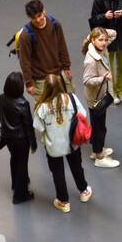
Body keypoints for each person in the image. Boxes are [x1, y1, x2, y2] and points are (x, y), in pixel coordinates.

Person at [33, 73, 92, 212]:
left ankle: (63, 201)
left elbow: (39, 127)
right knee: (77, 167)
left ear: (45, 89)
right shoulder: (71, 99)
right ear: (61, 85)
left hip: (53, 147)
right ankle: (84, 191)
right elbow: (82, 114)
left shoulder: (42, 108)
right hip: (72, 143)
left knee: (57, 173)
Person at [18, 0, 72, 100]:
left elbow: (62, 46)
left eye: (39, 16)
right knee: (45, 111)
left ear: (44, 11)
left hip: (59, 74)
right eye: (34, 18)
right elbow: (24, 61)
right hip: (40, 80)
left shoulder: (55, 25)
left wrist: (67, 67)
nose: (38, 20)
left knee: (68, 106)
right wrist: (29, 83)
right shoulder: (25, 36)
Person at [0, 71, 37, 203]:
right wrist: (33, 143)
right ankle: (20, 195)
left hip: (8, 138)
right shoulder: (23, 103)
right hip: (21, 140)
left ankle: (15, 184)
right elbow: (28, 125)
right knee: (22, 165)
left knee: (14, 159)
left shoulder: (1, 99)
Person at [82, 28, 120, 168]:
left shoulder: (100, 49)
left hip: (101, 95)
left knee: (99, 125)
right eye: (100, 40)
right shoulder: (91, 60)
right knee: (99, 128)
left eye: (105, 40)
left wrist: (96, 33)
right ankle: (99, 156)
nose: (104, 43)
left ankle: (96, 150)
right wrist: (103, 78)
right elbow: (87, 81)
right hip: (96, 99)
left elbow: (114, 33)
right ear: (93, 41)